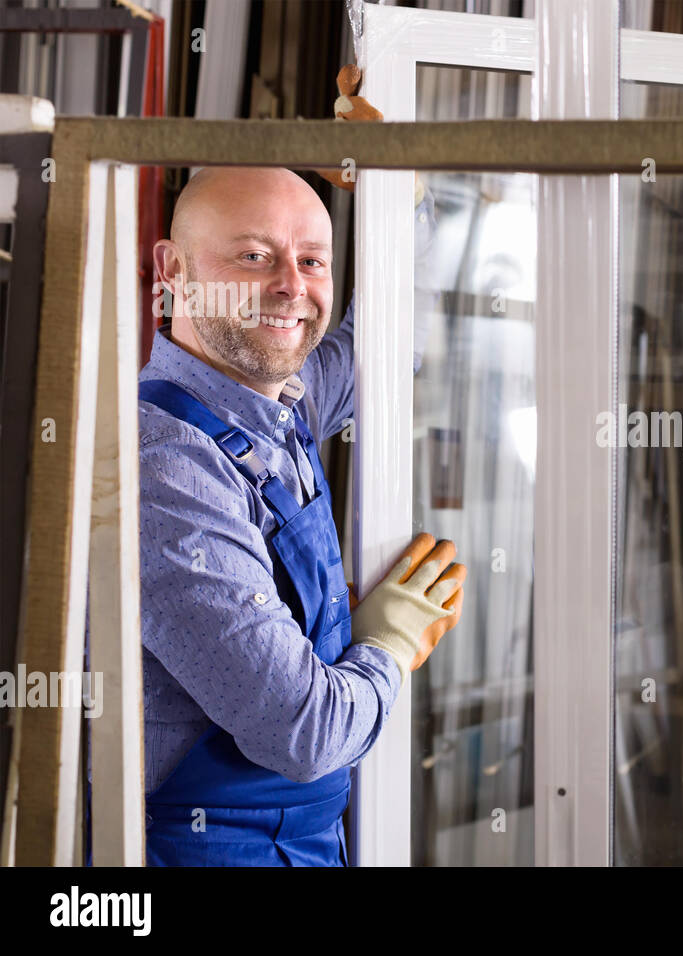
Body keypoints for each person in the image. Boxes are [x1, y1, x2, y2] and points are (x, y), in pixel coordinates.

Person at [137, 74, 458, 866]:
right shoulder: (166, 464)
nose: (291, 286)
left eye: (313, 260)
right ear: (171, 269)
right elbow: (306, 732)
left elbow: (392, 334)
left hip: (307, 844)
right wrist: (385, 646)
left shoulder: (281, 403)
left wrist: (397, 194)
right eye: (254, 255)